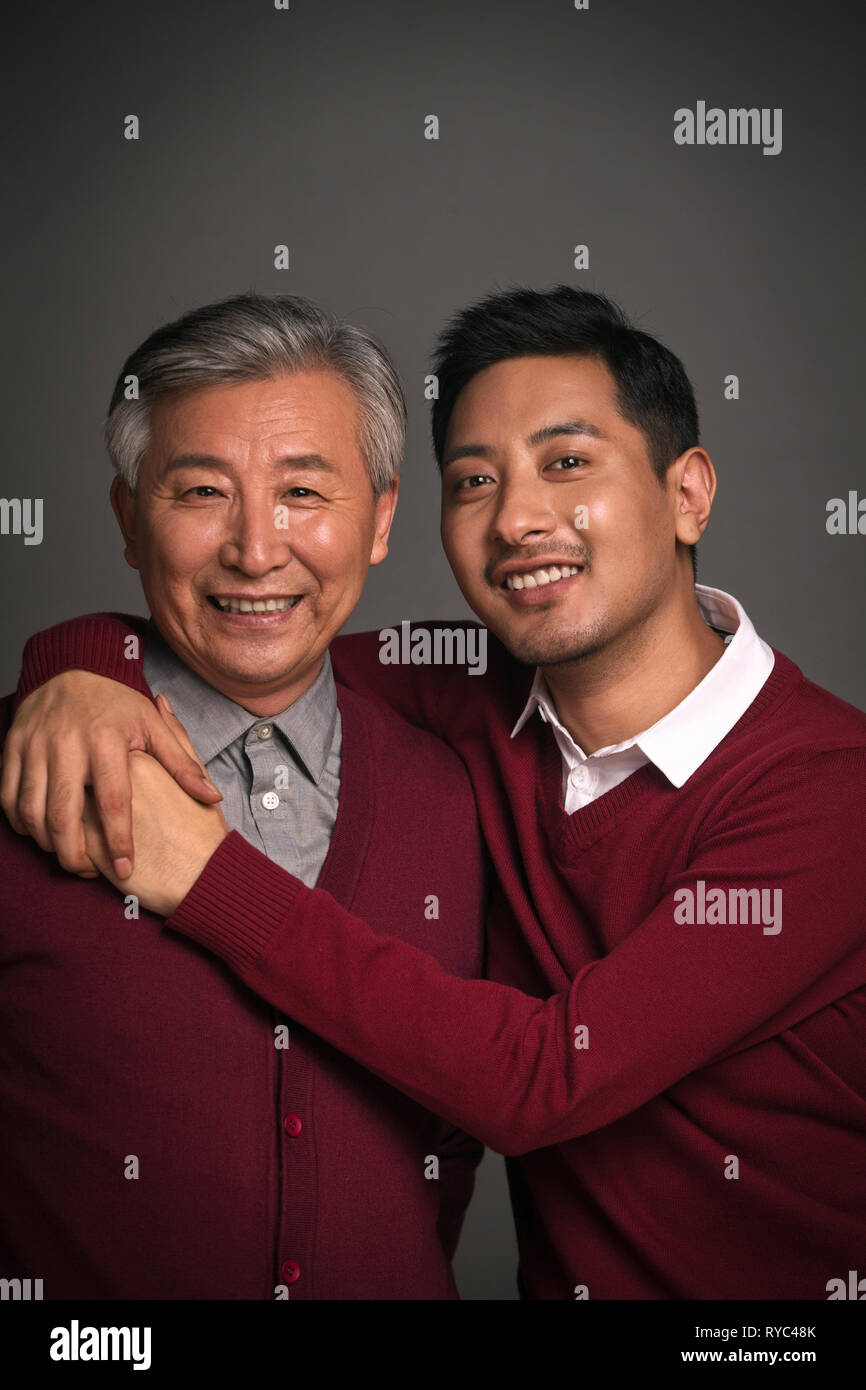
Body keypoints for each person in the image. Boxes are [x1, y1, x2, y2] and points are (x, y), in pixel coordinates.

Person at [5, 286, 866, 1300]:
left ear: (687, 494)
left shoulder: (830, 794)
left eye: (566, 462)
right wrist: (73, 671)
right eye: (473, 480)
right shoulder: (466, 697)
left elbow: (540, 1077)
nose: (516, 518)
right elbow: (257, 633)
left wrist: (204, 874)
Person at [0, 292, 487, 1300]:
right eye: (201, 493)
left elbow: (462, 1123)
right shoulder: (22, 763)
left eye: (303, 492)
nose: (257, 550)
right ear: (129, 521)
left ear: (383, 517)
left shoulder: (458, 789)